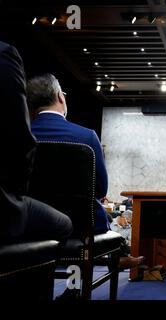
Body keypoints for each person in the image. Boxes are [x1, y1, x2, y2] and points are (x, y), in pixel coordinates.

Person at [26, 73, 143, 270]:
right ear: (60, 97)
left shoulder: (18, 135)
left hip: (29, 226)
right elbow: (100, 189)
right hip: (80, 227)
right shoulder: (87, 137)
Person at [0, 41, 72, 244]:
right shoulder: (5, 54)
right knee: (63, 225)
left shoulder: (35, 130)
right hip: (6, 208)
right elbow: (19, 144)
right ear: (60, 96)